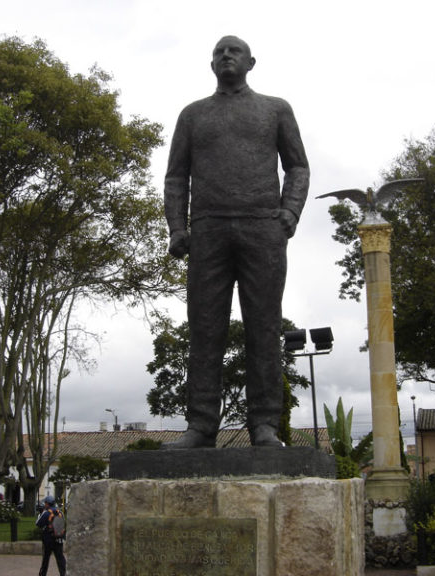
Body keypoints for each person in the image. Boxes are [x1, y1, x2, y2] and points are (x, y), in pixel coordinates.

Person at [162, 36, 309, 449]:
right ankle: (200, 425)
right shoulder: (193, 115)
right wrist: (177, 227)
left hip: (263, 227)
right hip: (207, 229)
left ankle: (264, 424)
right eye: (219, 52)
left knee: (264, 327)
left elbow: (297, 166)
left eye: (235, 51)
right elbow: (176, 176)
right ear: (211, 64)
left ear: (251, 62)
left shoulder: (275, 109)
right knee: (204, 329)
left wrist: (289, 213)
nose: (226, 56)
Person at [35, 495, 66, 576]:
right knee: (60, 558)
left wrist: (40, 513)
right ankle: (64, 573)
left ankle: (43, 573)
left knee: (46, 558)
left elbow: (38, 524)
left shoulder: (46, 513)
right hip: (59, 538)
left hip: (48, 539)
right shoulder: (60, 512)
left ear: (47, 504)